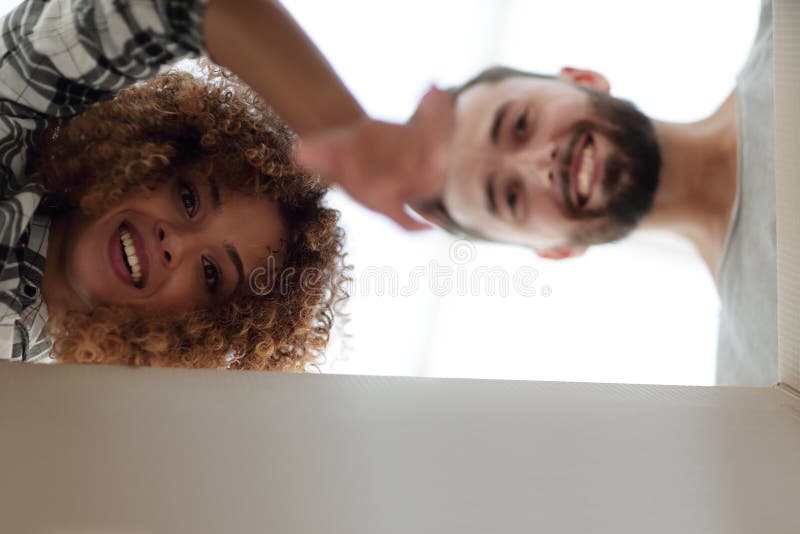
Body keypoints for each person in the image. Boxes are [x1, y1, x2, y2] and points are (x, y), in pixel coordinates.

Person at [298, 1, 775, 386]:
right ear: (556, 249)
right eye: (510, 197)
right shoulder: (762, 374)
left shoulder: (784, 29)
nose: (539, 165)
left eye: (521, 125)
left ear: (581, 80)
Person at [0, 0, 362, 368]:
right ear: (148, 152)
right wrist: (350, 129)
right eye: (189, 199)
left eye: (210, 272)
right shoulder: (10, 118)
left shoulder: (58, 408)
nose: (174, 240)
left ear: (195, 328)